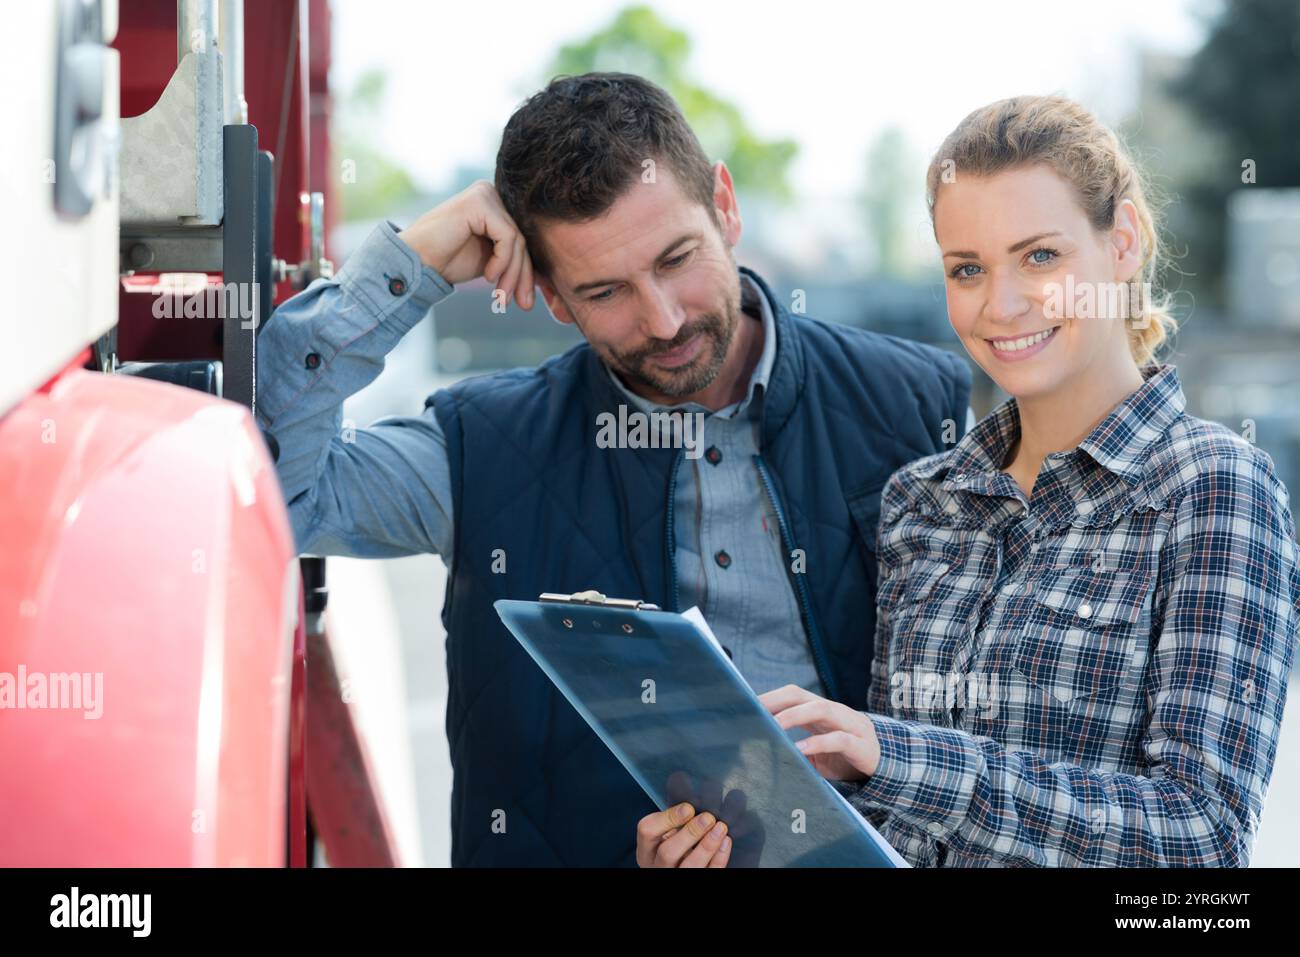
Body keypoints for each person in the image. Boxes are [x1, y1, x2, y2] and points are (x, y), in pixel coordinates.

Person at [257, 72, 972, 866]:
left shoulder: (919, 406)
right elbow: (273, 491)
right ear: (555, 299)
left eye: (677, 258)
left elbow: (1001, 725)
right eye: (604, 291)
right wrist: (411, 266)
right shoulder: (484, 448)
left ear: (725, 207)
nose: (663, 319)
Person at [637, 94, 1298, 868]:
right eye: (967, 269)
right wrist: (743, 841)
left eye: (1040, 256)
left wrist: (901, 756)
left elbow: (1201, 838)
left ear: (1122, 242)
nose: (1001, 303)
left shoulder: (1215, 490)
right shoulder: (922, 500)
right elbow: (892, 819)